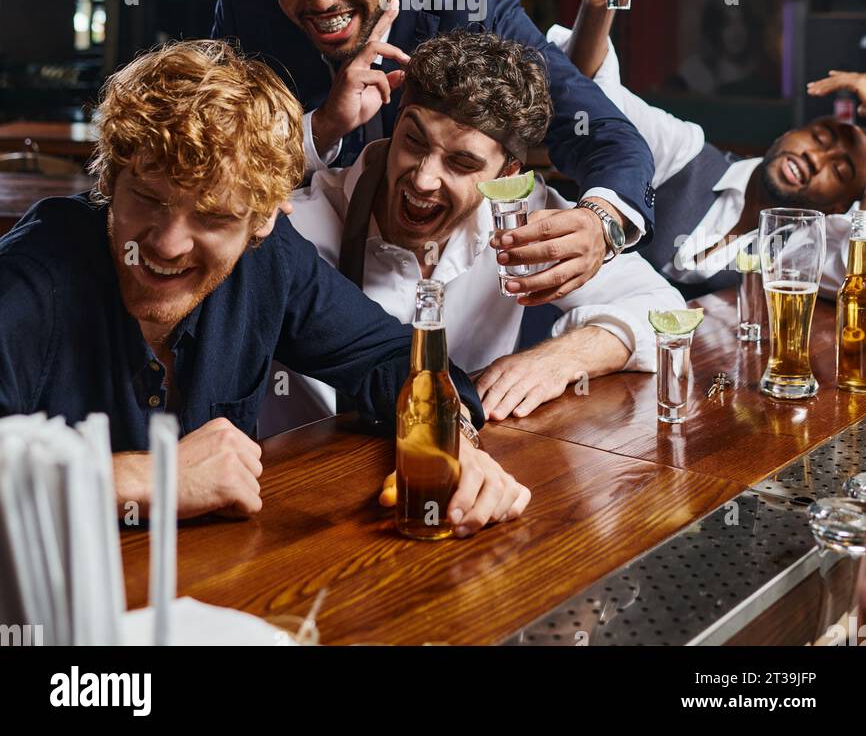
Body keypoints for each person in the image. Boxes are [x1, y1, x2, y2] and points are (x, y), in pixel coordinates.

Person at [0, 40, 529, 534]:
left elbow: (394, 359)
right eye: (148, 198)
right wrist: (148, 476)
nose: (166, 244)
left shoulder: (271, 260)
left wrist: (447, 441)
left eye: (212, 217)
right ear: (110, 180)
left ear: (264, 218)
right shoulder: (33, 276)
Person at [211, 0, 657, 304]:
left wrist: (603, 222)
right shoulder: (245, 6)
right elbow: (208, 166)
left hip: (451, 289)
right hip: (297, 283)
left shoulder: (469, 1)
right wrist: (321, 126)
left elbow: (599, 130)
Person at [263, 30, 683, 434]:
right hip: (306, 479)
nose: (424, 178)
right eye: (413, 141)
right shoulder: (298, 223)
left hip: (469, 468)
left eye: (462, 163)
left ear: (508, 173)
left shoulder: (523, 217)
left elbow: (665, 309)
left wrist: (560, 358)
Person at [543, 0, 866, 298]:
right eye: (819, 138)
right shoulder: (684, 152)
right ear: (790, 133)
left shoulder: (804, 249)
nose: (816, 159)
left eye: (840, 171)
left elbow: (859, 279)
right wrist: (599, 5)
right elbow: (588, 95)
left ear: (841, 206)